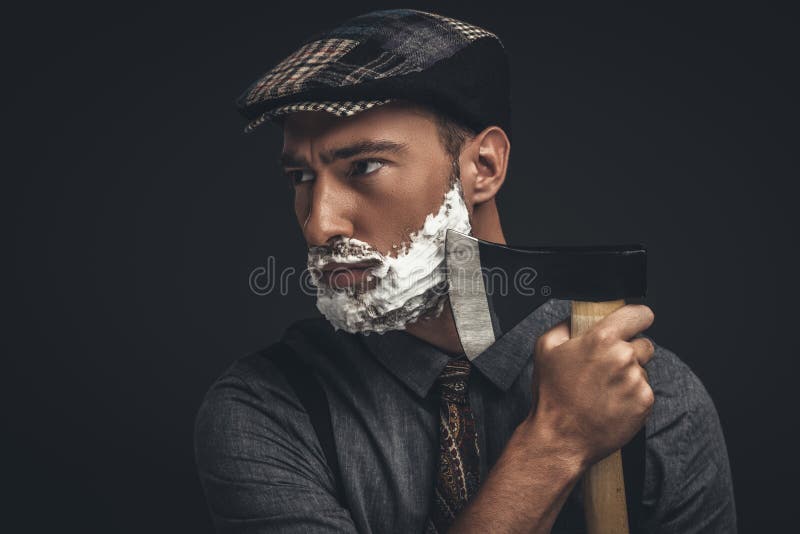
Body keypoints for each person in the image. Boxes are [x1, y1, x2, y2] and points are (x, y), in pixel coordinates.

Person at [194, 9, 736, 533]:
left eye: (363, 166)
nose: (319, 225)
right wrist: (557, 442)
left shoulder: (651, 398)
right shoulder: (265, 408)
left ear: (484, 167)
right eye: (301, 177)